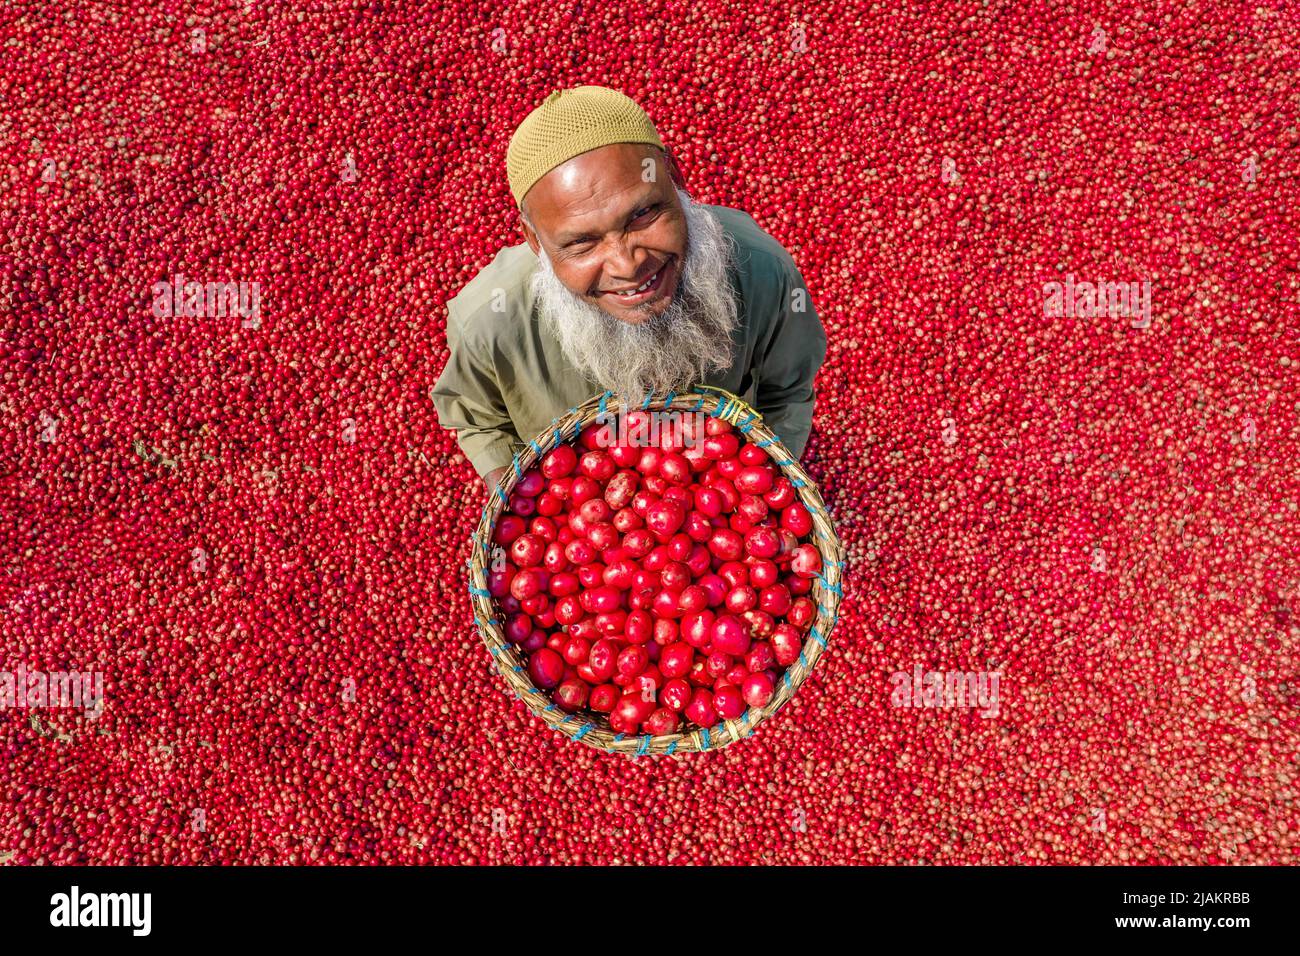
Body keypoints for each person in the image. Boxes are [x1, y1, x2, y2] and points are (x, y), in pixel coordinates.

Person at [431, 85, 827, 493]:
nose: (628, 265)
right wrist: (525, 501)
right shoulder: (490, 320)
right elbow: (478, 417)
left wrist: (766, 489)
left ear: (674, 179)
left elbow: (788, 391)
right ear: (536, 243)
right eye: (581, 243)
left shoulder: (760, 270)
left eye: (642, 214)